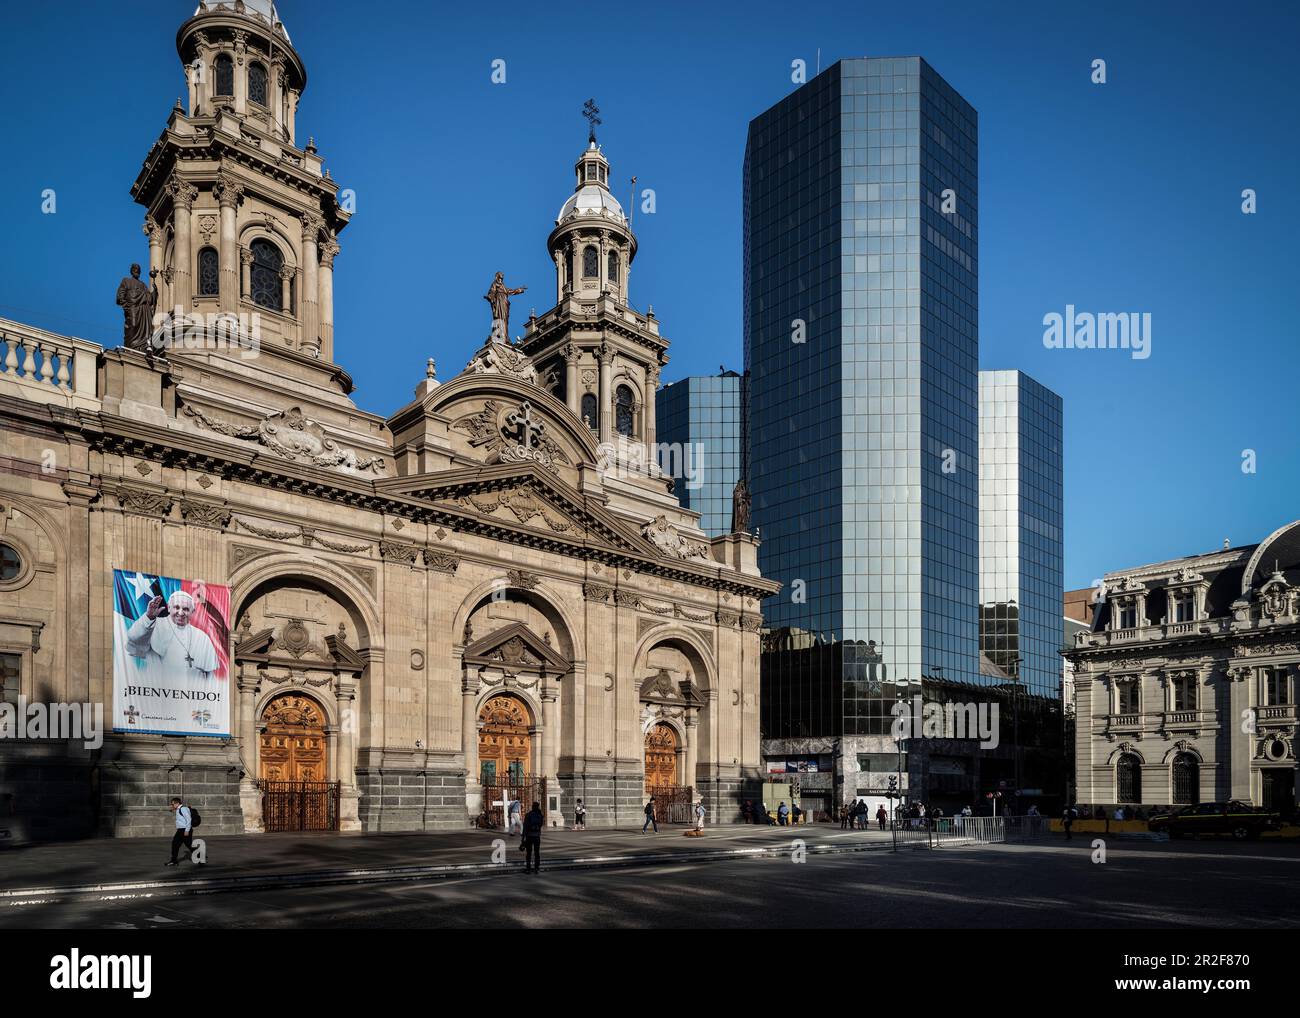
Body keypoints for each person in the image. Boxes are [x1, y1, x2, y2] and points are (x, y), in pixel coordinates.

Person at [126, 589, 220, 682]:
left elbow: (210, 677)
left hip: (192, 693)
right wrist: (149, 617)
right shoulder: (152, 625)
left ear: (193, 611)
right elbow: (133, 639)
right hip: (161, 691)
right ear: (169, 607)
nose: (180, 613)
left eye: (186, 609)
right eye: (176, 607)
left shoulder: (202, 637)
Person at [166, 797, 193, 866]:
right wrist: (172, 810)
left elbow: (189, 819)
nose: (172, 805)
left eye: (173, 804)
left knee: (189, 845)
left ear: (177, 803)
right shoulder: (178, 809)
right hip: (180, 830)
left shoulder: (183, 809)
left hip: (184, 829)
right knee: (175, 844)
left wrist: (187, 830)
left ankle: (201, 857)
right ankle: (174, 861)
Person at [522, 801, 544, 873]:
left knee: (529, 853)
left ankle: (528, 869)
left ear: (532, 807)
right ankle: (536, 868)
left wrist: (523, 838)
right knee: (537, 853)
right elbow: (540, 825)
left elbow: (525, 827)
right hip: (537, 836)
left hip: (529, 836)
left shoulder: (528, 815)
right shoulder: (540, 815)